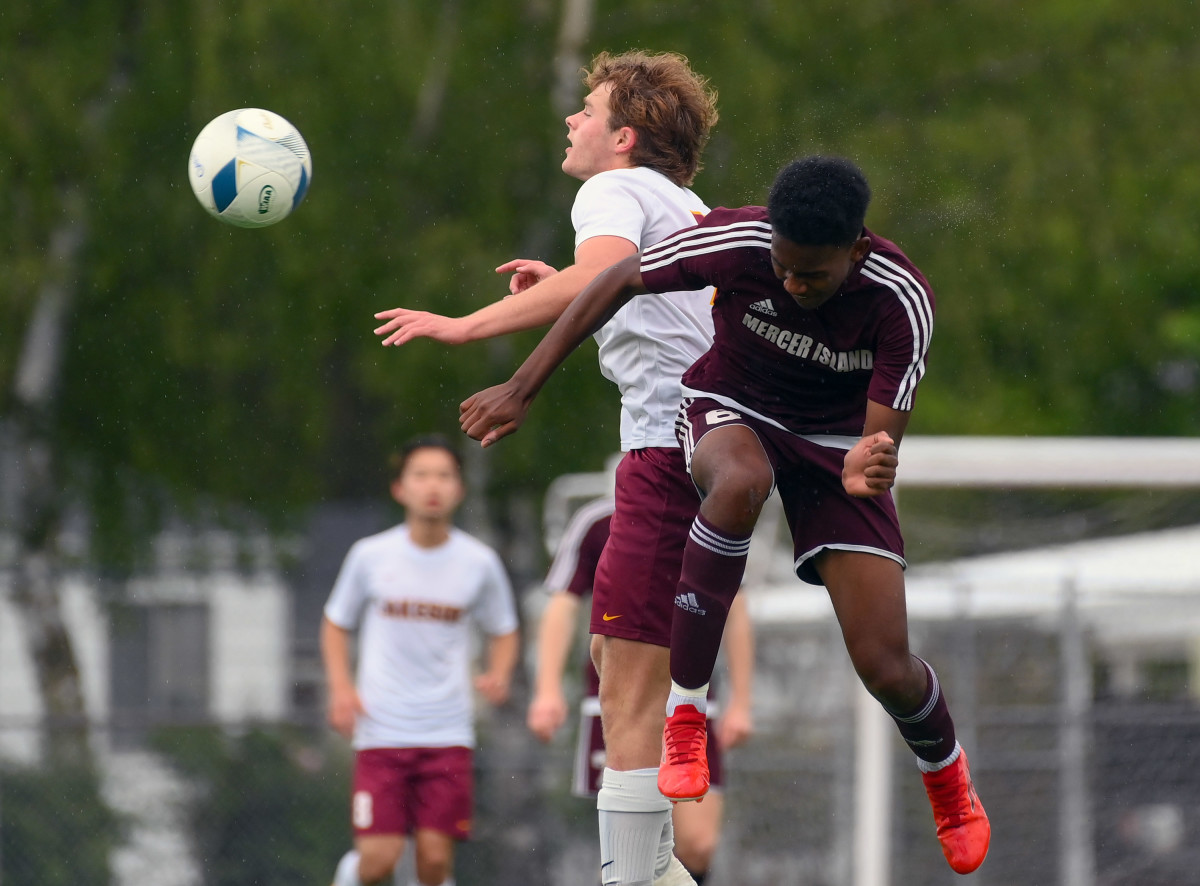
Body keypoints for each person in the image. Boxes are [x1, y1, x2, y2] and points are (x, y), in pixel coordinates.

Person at [459, 156, 992, 875]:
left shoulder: (900, 298)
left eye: (812, 276)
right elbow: (615, 278)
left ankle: (946, 773)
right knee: (739, 483)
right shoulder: (739, 239)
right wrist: (523, 386)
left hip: (833, 443)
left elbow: (876, 443)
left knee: (884, 663)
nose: (793, 284)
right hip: (731, 407)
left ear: (856, 250)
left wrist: (870, 464)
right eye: (783, 268)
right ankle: (687, 712)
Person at [374, 50, 720, 886]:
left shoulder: (610, 190)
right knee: (615, 659)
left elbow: (602, 273)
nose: (573, 119)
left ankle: (630, 877)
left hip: (667, 455)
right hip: (707, 453)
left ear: (624, 137)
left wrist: (464, 325)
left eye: (588, 110)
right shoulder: (684, 204)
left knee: (625, 686)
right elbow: (624, 288)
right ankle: (655, 875)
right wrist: (562, 285)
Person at [321, 434, 520, 886]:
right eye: (421, 475)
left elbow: (504, 628)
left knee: (433, 863)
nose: (433, 486)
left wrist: (499, 673)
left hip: (447, 733)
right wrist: (341, 690)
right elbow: (335, 623)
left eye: (444, 476)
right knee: (378, 861)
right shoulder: (369, 556)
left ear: (459, 489)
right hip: (381, 732)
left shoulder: (478, 562)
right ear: (399, 488)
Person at [529, 495, 755, 884]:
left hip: (689, 695)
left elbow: (734, 606)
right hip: (624, 698)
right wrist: (547, 689)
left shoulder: (710, 514)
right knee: (633, 843)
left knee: (696, 842)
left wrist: (742, 702)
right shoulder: (599, 522)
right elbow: (564, 603)